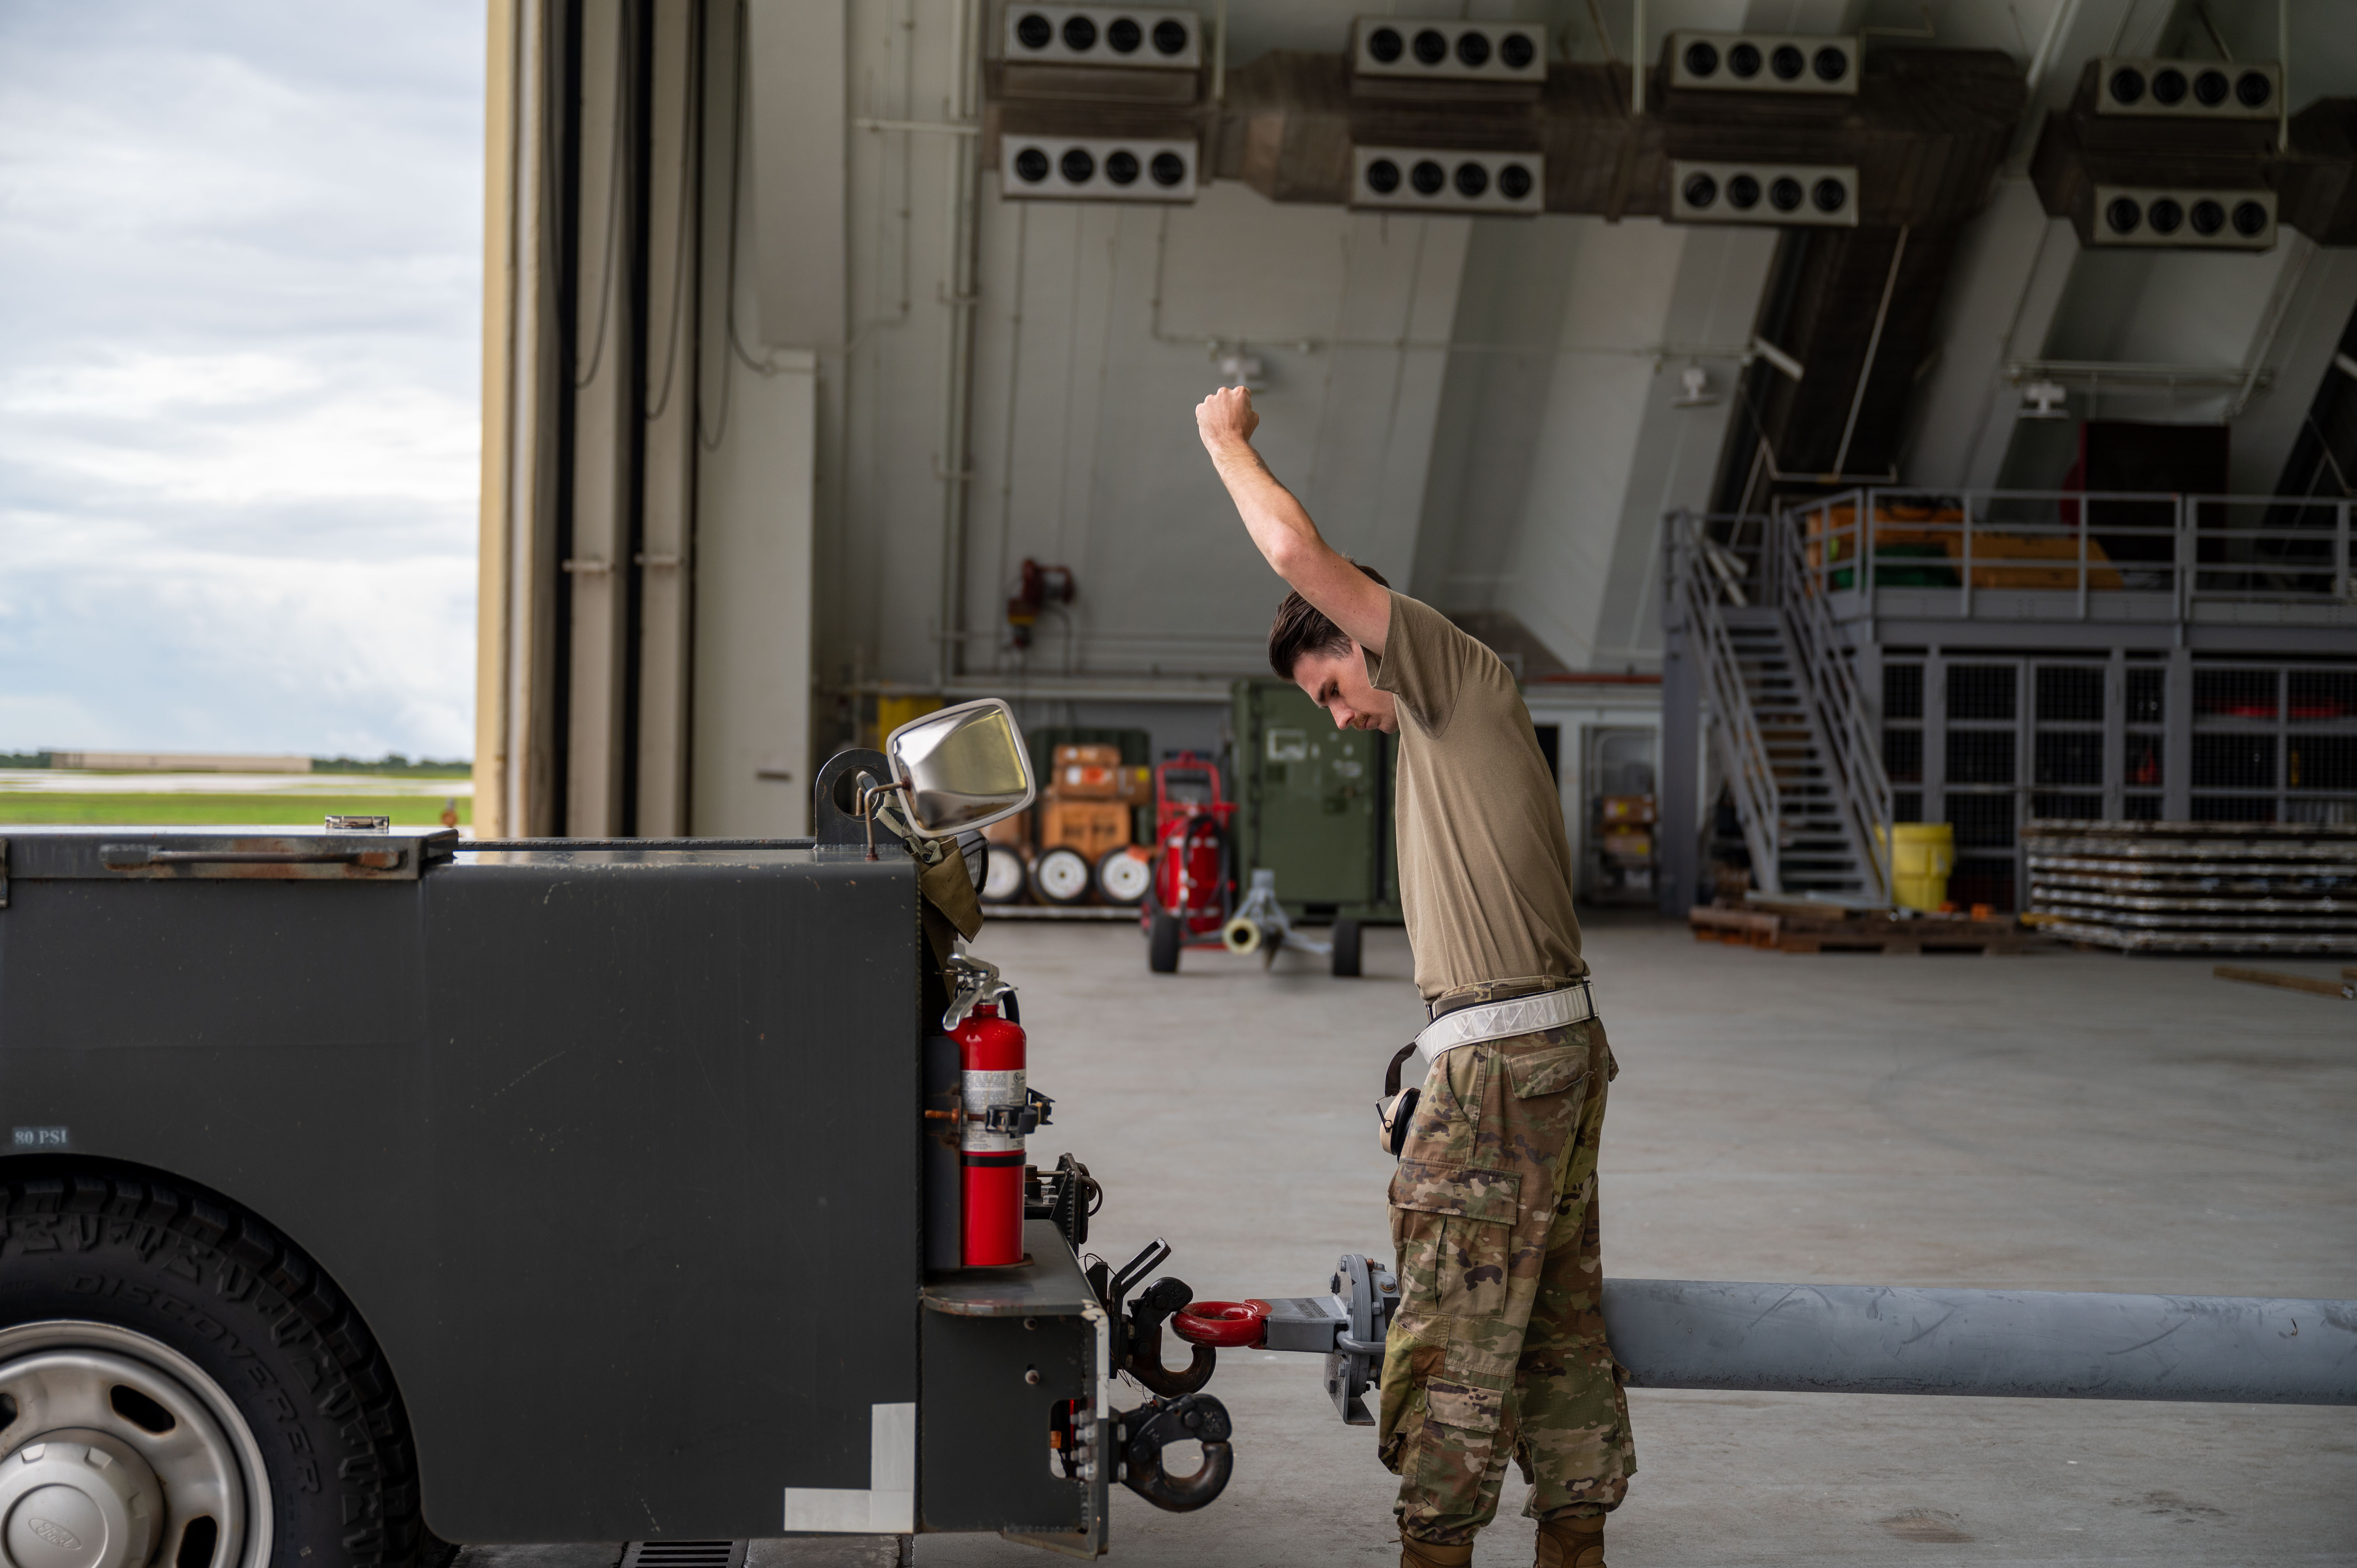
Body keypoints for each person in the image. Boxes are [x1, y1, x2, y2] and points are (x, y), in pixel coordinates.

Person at [1194, 385, 1633, 1568]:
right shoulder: (1443, 732)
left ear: (1364, 642)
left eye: (1333, 689)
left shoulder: (1449, 674)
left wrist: (1226, 443)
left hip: (1504, 1068)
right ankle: (1572, 1544)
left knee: (1445, 1344)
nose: (1337, 720)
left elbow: (1294, 549)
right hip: (1548, 1055)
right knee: (1551, 1329)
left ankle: (1434, 1552)